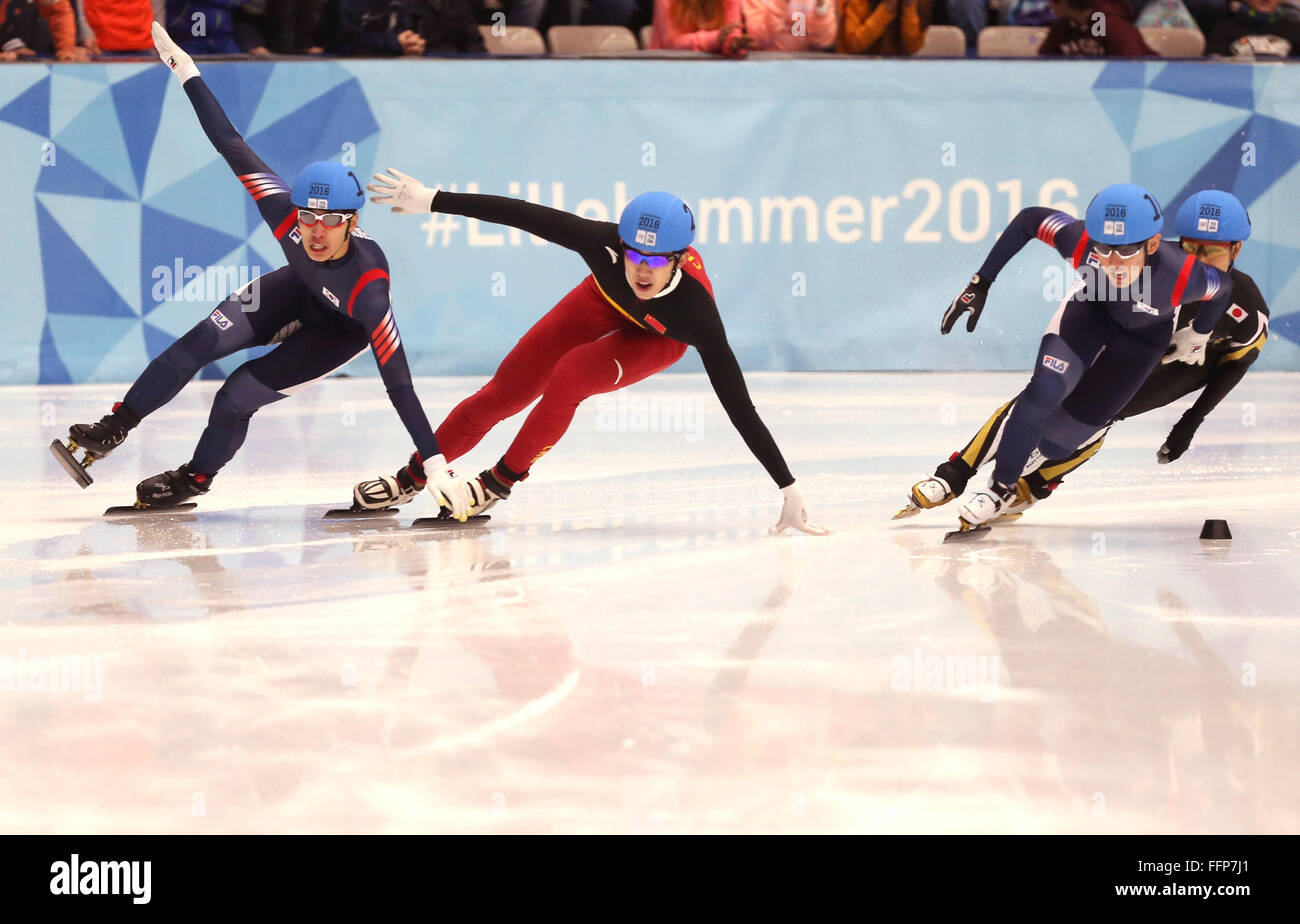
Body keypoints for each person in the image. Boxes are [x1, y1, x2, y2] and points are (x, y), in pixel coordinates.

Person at [54, 23, 473, 520]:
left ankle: (195, 478)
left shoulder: (369, 294)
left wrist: (435, 461)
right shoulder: (283, 213)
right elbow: (229, 141)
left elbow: (399, 385)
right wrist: (185, 70)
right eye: (308, 219)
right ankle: (113, 427)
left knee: (235, 397)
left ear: (352, 221)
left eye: (330, 222)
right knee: (201, 341)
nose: (315, 233)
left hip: (338, 330)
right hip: (298, 290)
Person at [351, 170, 827, 535]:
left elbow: (738, 404)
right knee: (505, 392)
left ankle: (498, 482)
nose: (642, 271)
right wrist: (432, 200)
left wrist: (787, 484)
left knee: (572, 374)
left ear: (679, 258)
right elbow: (522, 213)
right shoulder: (603, 247)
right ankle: (412, 477)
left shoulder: (695, 313)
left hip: (658, 337)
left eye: (656, 261)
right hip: (602, 300)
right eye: (634, 256)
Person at [899, 190, 1266, 520]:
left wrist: (1191, 419)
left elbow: (1238, 362)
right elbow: (1052, 237)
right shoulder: (1149, 261)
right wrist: (981, 283)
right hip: (1108, 329)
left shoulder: (1241, 303)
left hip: (1167, 364)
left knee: (1095, 419)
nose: (1199, 258)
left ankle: (1036, 484)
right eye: (1191, 248)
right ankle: (957, 473)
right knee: (1043, 395)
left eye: (1212, 251)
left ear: (1236, 250)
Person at [1039, 0, 1156, 55]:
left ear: (1064, 3)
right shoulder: (1063, 25)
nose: (1050, 5)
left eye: (1053, 1)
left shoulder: (1107, 23)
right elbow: (1044, 62)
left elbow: (1132, 68)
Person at [650, 0, 756, 54]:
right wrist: (715, 39)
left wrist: (734, 45)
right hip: (667, 69)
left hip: (715, 70)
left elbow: (731, 34)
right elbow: (671, 43)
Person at [836, 0, 929, 55]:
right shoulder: (858, 2)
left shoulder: (919, 4)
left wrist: (909, 6)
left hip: (895, 71)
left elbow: (912, 48)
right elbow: (854, 44)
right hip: (854, 68)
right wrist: (886, 8)